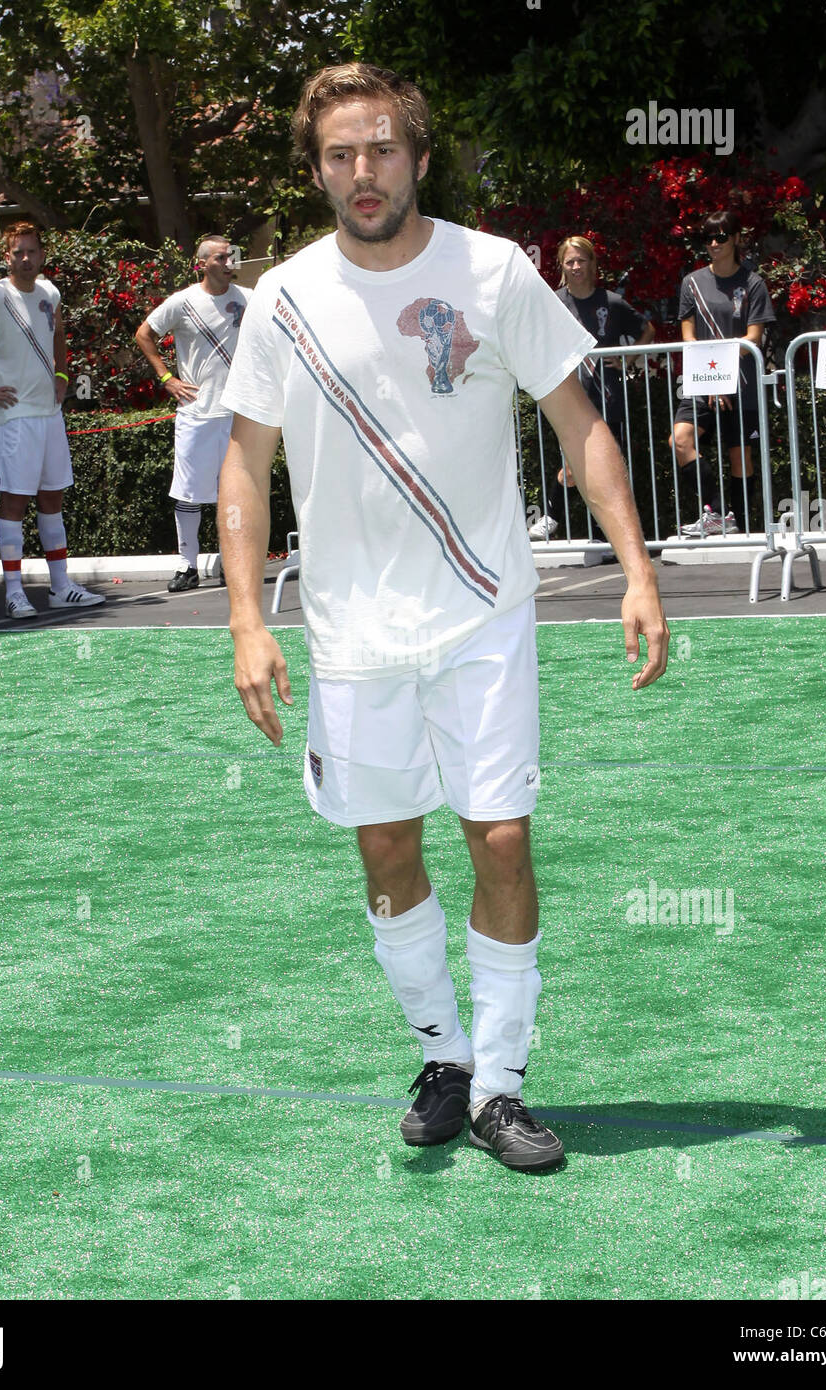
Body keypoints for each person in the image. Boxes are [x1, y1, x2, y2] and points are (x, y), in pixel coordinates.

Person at [217, 63, 669, 1173]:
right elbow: (245, 462)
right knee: (386, 850)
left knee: (501, 835)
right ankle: (443, 1056)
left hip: (482, 612)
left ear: (417, 157)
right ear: (317, 169)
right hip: (351, 631)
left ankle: (504, 1084)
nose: (360, 172)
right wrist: (243, 619)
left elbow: (580, 422)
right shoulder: (282, 297)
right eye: (338, 155)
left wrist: (636, 567)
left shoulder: (494, 270)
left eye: (379, 149)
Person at [0, 222, 105, 617]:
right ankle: (14, 593)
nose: (26, 259)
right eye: (18, 252)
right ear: (7, 257)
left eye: (32, 251)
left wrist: (63, 376)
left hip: (49, 417)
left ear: (42, 255)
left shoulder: (50, 292)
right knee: (15, 503)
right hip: (13, 419)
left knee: (53, 498)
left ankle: (60, 586)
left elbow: (59, 335)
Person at [134, 236, 246, 591]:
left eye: (231, 256)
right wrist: (167, 378)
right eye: (221, 257)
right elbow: (144, 334)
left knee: (234, 491)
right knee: (188, 492)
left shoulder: (249, 299)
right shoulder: (183, 302)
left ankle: (232, 563)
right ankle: (187, 566)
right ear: (202, 264)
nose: (229, 261)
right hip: (196, 412)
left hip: (236, 413)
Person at [529, 236, 654, 542]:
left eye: (581, 260)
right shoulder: (554, 303)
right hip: (569, 398)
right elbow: (535, 339)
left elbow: (647, 330)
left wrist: (629, 359)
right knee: (574, 464)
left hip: (608, 398)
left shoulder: (610, 302)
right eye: (569, 261)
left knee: (608, 469)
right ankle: (552, 516)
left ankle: (606, 536)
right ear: (561, 265)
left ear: (592, 264)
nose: (575, 267)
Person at [670, 210, 776, 536]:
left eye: (721, 237)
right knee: (680, 440)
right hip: (702, 381)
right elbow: (688, 337)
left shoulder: (753, 283)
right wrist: (712, 378)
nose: (714, 244)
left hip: (741, 382)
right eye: (708, 238)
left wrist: (723, 374)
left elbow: (753, 338)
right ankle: (717, 512)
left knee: (740, 455)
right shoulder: (692, 282)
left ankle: (741, 529)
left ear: (735, 239)